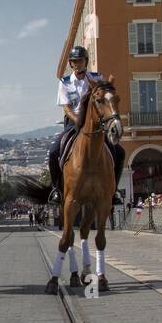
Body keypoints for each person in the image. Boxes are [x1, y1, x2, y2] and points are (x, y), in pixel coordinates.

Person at [46, 45, 124, 206]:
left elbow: (104, 99)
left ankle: (113, 190)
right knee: (53, 152)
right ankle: (56, 190)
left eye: (80, 60)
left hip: (95, 124)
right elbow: (66, 108)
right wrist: (78, 121)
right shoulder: (65, 82)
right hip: (73, 124)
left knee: (120, 152)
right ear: (71, 64)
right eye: (74, 61)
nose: (77, 64)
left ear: (86, 61)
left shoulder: (96, 78)